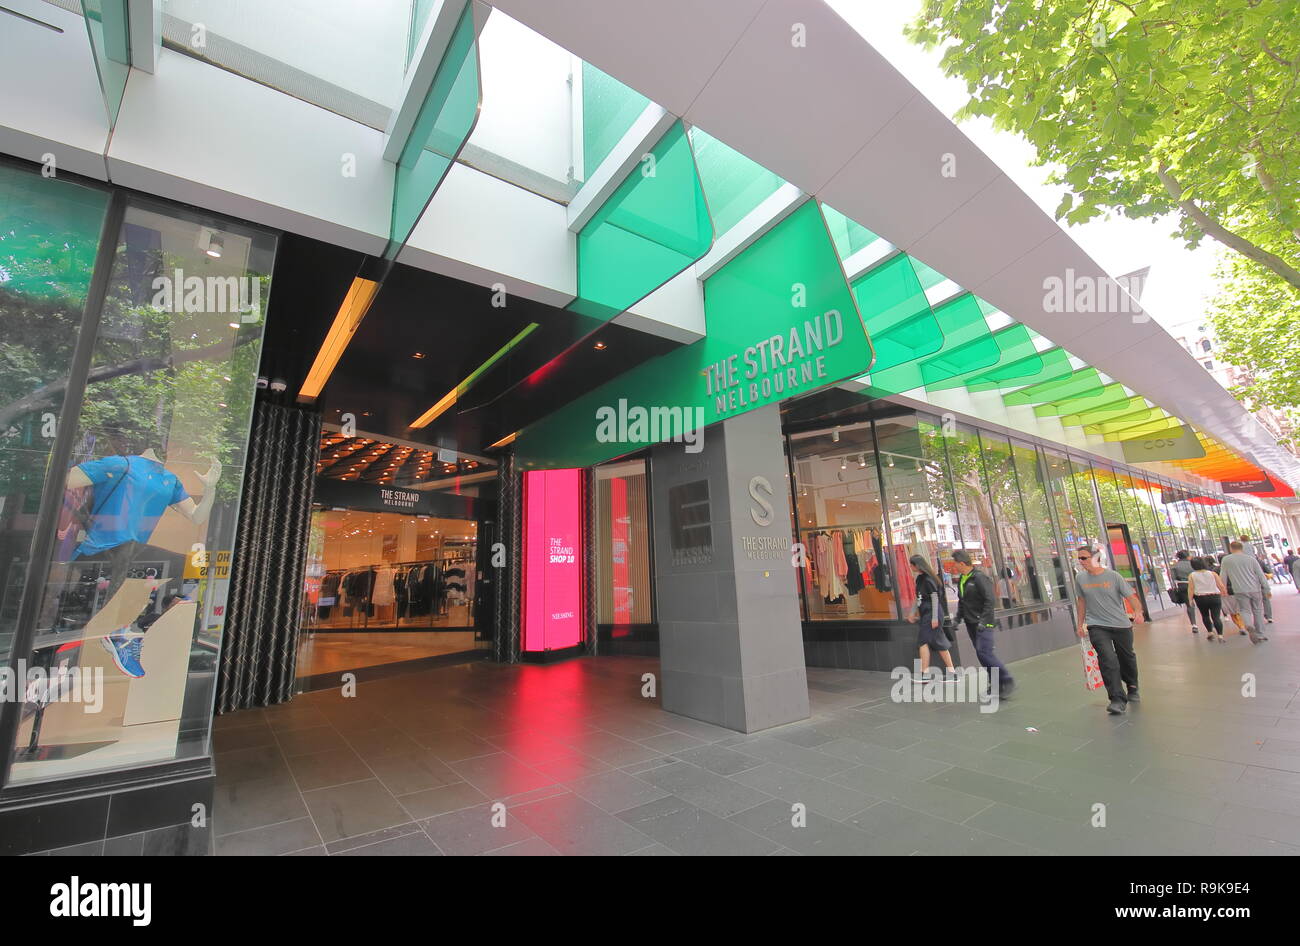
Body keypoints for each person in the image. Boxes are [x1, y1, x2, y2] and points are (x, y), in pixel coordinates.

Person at [1074, 546, 1145, 715]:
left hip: (1120, 624)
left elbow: (1131, 597)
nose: (1081, 561)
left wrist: (1138, 612)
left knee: (1126, 657)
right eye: (1079, 559)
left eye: (1084, 558)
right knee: (1107, 659)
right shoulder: (1080, 578)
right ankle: (1117, 699)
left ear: (1095, 558)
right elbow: (1082, 601)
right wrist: (1080, 624)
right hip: (1097, 625)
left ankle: (1132, 686)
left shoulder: (1113, 576)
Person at [951, 550, 1014, 697]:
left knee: (984, 653)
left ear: (961, 563)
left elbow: (990, 600)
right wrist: (957, 619)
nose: (953, 566)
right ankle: (997, 685)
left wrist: (984, 621)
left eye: (955, 563)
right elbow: (963, 602)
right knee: (982, 655)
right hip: (971, 623)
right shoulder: (963, 578)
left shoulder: (979, 577)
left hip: (984, 623)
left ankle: (1006, 679)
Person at [906, 554, 956, 680]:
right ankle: (952, 673)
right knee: (939, 643)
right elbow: (918, 598)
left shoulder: (928, 579)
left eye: (911, 564)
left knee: (923, 642)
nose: (910, 567)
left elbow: (935, 598)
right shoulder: (920, 579)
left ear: (917, 565)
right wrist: (912, 612)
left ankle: (925, 674)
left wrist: (934, 618)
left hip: (931, 614)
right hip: (927, 614)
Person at [1220, 541, 1269, 644]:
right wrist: (1266, 587)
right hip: (1255, 589)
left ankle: (1248, 624)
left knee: (1244, 610)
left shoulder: (1226, 560)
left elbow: (1223, 576)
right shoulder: (1251, 559)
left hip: (1239, 590)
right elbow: (1260, 575)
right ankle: (1260, 633)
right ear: (1241, 548)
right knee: (1258, 610)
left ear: (1231, 548)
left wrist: (1223, 589)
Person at [1188, 557, 1229, 642]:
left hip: (1200, 598)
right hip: (1214, 596)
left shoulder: (1192, 575)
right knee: (1216, 617)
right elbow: (1220, 585)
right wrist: (1224, 592)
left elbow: (1191, 588)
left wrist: (1190, 599)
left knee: (1205, 615)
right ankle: (1220, 636)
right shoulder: (1212, 573)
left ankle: (1210, 632)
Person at [1170, 550, 1198, 634]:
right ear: (1187, 556)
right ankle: (1208, 621)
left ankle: (1194, 624)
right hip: (1196, 584)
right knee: (1201, 603)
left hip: (1183, 586)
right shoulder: (1193, 564)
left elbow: (1173, 578)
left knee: (1189, 605)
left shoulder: (1175, 566)